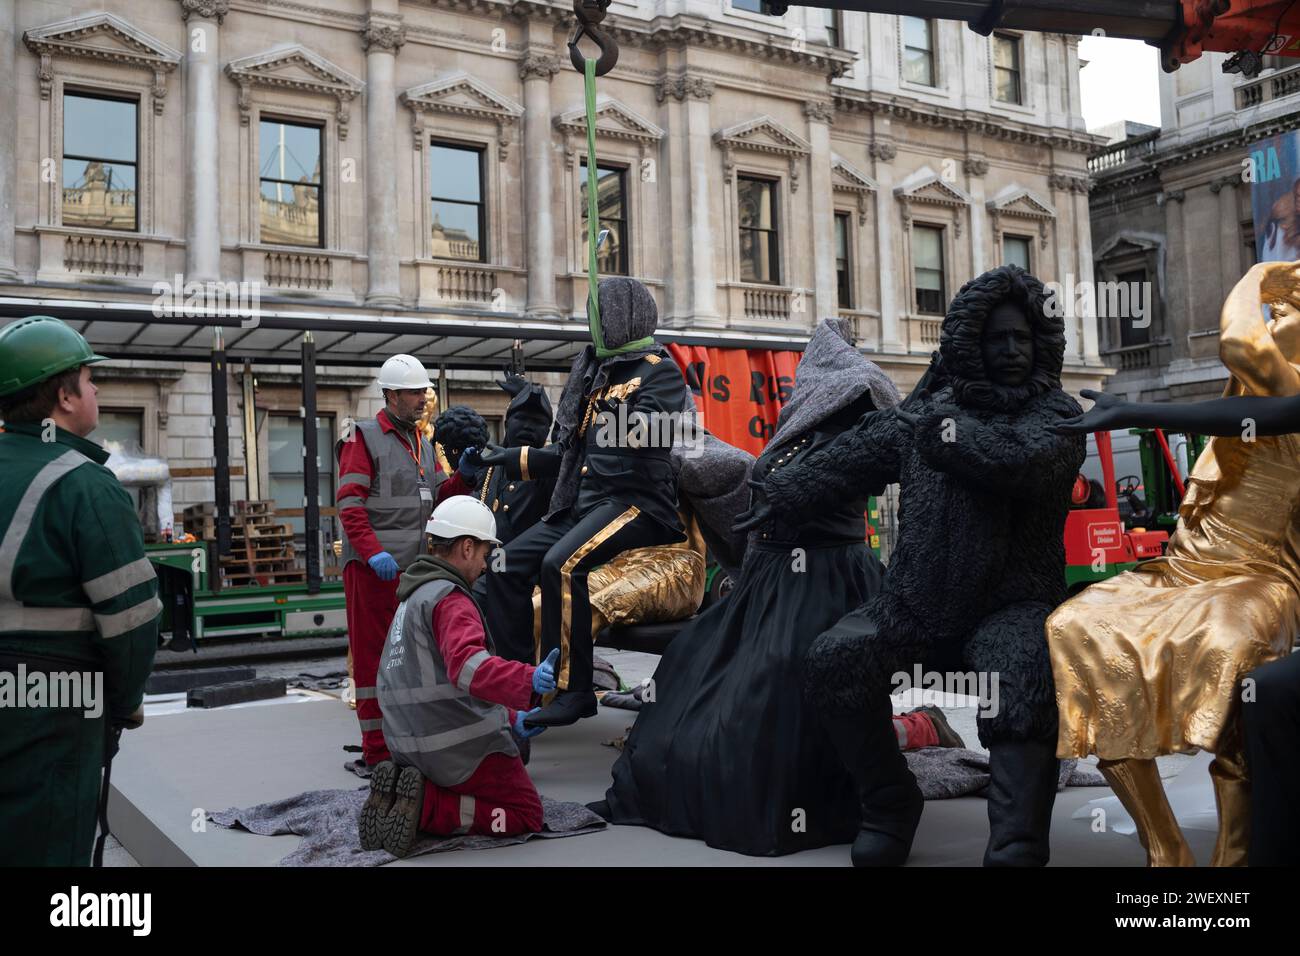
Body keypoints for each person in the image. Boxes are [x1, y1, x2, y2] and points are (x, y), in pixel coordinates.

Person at [754, 266, 1086, 867]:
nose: (1012, 351)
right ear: (970, 345)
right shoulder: (933, 411)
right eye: (997, 339)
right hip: (915, 605)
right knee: (837, 659)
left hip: (1011, 607)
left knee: (1021, 678)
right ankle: (889, 803)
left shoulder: (1057, 415)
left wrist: (936, 428)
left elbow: (1019, 463)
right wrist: (779, 493)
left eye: (1023, 339)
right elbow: (853, 457)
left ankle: (1016, 841)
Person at [594, 317, 909, 854]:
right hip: (772, 581)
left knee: (766, 690)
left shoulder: (861, 428)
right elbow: (741, 477)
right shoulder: (802, 432)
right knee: (691, 660)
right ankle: (667, 779)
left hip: (824, 585)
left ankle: (859, 792)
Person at [1046, 260, 1300, 866]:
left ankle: (1232, 862)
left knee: (1230, 650)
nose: (1277, 313)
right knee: (1074, 627)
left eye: (1289, 308)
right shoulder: (1257, 400)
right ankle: (1167, 850)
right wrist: (1131, 412)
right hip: (1183, 569)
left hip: (1259, 576)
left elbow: (1241, 339)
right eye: (1279, 305)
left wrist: (1263, 273)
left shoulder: (1288, 395)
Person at [479, 278, 689, 727]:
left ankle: (574, 692)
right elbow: (570, 453)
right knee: (503, 565)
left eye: (597, 314)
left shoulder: (660, 369)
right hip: (585, 506)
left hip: (637, 505)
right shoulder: (597, 373)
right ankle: (522, 681)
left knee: (561, 564)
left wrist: (609, 413)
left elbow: (661, 433)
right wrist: (515, 457)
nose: (590, 325)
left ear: (618, 318)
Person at [0, 316, 161, 865]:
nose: (97, 391)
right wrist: (122, 706)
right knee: (50, 845)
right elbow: (133, 623)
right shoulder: (86, 485)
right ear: (65, 396)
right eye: (90, 380)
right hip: (56, 706)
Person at [363, 496, 556, 857]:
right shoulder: (451, 599)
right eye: (484, 553)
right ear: (467, 547)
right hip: (453, 749)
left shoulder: (413, 597)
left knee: (512, 751)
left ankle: (411, 791)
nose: (485, 564)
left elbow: (436, 680)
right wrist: (527, 679)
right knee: (525, 813)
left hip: (406, 745)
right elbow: (469, 669)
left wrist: (513, 717)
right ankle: (430, 808)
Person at [336, 354, 444, 774]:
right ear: (392, 395)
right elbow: (349, 503)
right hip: (373, 571)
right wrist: (371, 551)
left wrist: (464, 478)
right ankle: (377, 752)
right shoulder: (360, 438)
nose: (423, 399)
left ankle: (403, 741)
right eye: (415, 392)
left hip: (412, 571)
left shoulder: (421, 441)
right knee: (371, 660)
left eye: (424, 391)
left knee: (409, 658)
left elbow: (434, 496)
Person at [439, 375, 556, 545]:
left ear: (547, 430)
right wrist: (464, 478)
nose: (528, 427)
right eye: (521, 419)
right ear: (506, 424)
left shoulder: (551, 472)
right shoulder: (487, 468)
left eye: (538, 422)